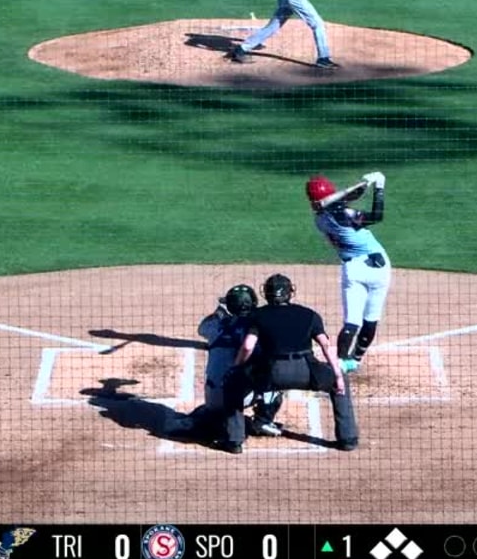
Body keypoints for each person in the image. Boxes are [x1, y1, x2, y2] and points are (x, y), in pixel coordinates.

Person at [218, 274, 359, 454]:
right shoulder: (309, 314)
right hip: (306, 372)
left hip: (270, 374)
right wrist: (338, 376)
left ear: (267, 294)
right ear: (290, 292)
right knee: (340, 383)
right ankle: (347, 439)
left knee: (233, 384)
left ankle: (234, 441)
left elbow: (247, 346)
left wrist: (236, 369)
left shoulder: (257, 315)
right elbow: (325, 345)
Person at [167, 284, 285, 441]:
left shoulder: (216, 326)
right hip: (240, 396)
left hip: (212, 396)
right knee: (281, 375)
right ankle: (263, 421)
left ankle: (205, 418)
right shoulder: (259, 327)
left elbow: (202, 328)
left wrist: (219, 314)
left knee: (216, 405)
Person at [306, 172, 391, 373]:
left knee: (352, 321)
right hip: (379, 266)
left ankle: (341, 365)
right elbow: (377, 216)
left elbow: (343, 200)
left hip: (353, 270)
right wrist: (378, 186)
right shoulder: (344, 214)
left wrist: (359, 188)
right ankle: (357, 359)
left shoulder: (319, 220)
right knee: (371, 318)